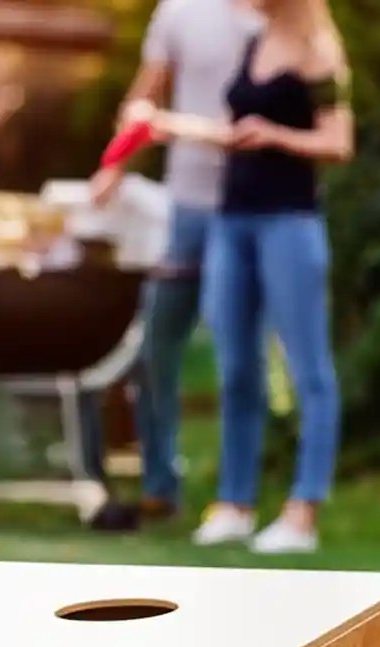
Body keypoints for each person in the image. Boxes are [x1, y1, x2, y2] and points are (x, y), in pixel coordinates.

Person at [190, 0, 353, 552]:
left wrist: (276, 136)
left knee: (310, 370)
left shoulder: (320, 50)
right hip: (231, 221)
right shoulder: (253, 41)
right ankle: (234, 504)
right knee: (236, 367)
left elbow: (338, 143)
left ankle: (302, 512)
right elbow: (238, 129)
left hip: (289, 223)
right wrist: (169, 127)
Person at [91, 0, 261, 521]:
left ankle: (237, 496)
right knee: (155, 348)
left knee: (240, 359)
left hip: (250, 205)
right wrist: (113, 167)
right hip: (184, 205)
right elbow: (145, 94)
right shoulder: (180, 11)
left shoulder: (271, 13)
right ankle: (160, 485)